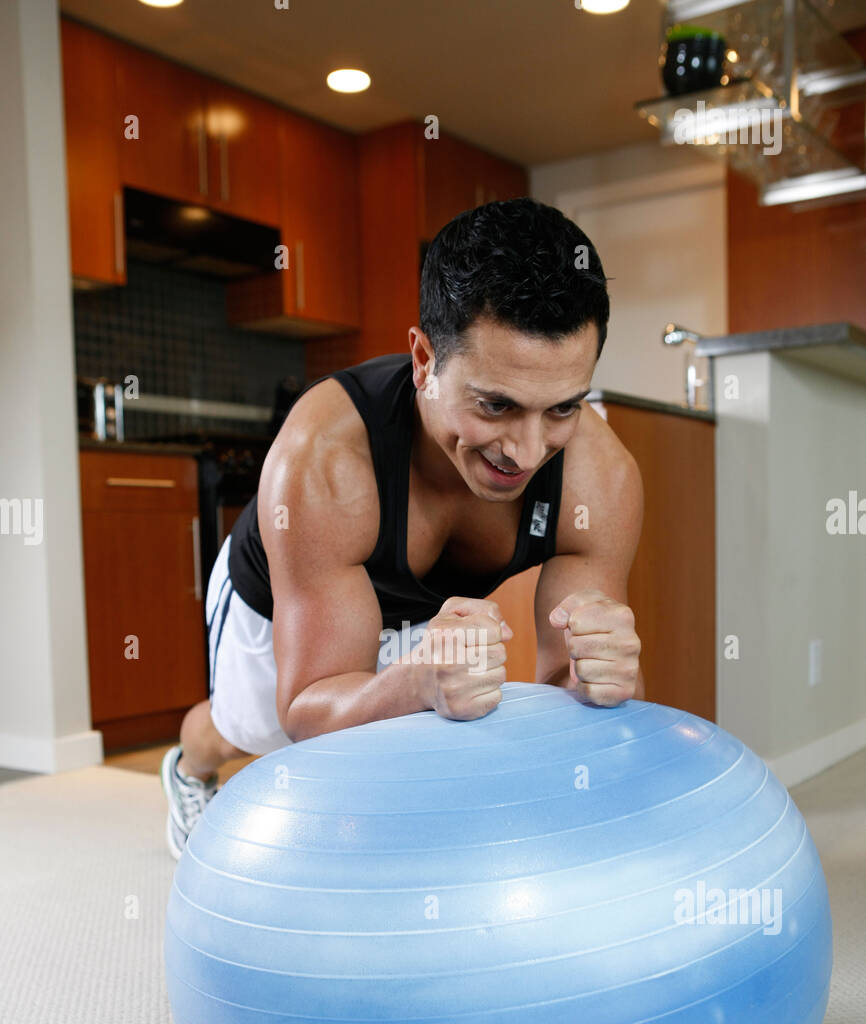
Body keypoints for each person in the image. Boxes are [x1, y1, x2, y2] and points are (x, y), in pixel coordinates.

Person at [161, 197, 644, 859]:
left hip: (410, 607)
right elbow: (310, 711)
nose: (528, 452)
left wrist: (607, 676)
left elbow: (569, 701)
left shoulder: (602, 481)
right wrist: (413, 683)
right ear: (424, 360)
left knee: (414, 731)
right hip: (280, 597)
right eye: (495, 404)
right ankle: (189, 765)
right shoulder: (324, 460)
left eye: (563, 407)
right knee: (254, 733)